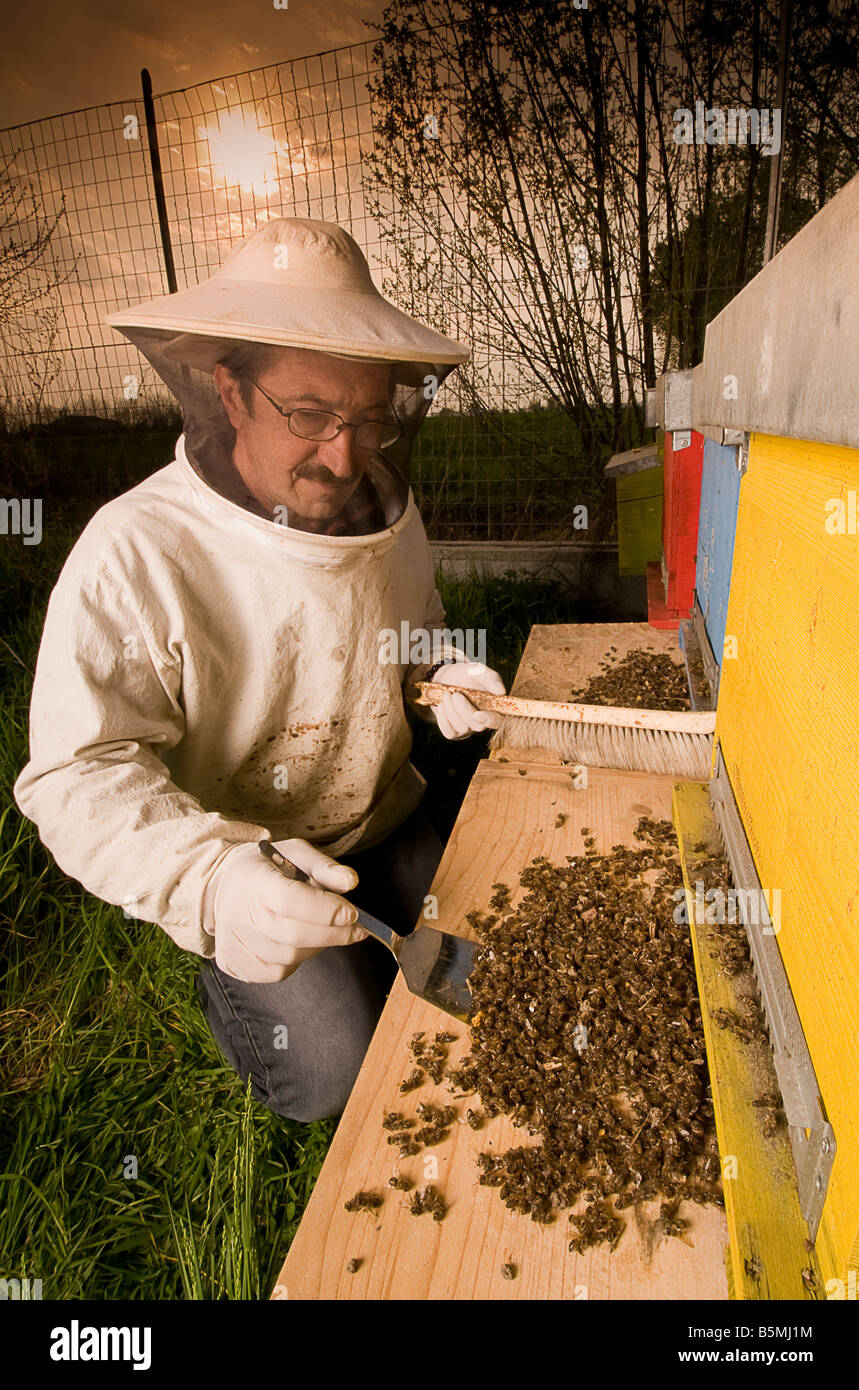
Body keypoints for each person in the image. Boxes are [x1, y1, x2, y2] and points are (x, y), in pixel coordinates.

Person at [13, 218, 506, 1121]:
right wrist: (213, 881)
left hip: (381, 821)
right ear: (231, 392)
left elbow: (414, 635)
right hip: (255, 855)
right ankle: (231, 968)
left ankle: (360, 937)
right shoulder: (136, 550)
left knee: (501, 972)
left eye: (367, 420)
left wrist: (446, 675)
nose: (343, 454)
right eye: (309, 414)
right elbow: (76, 772)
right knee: (334, 1074)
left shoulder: (387, 512)